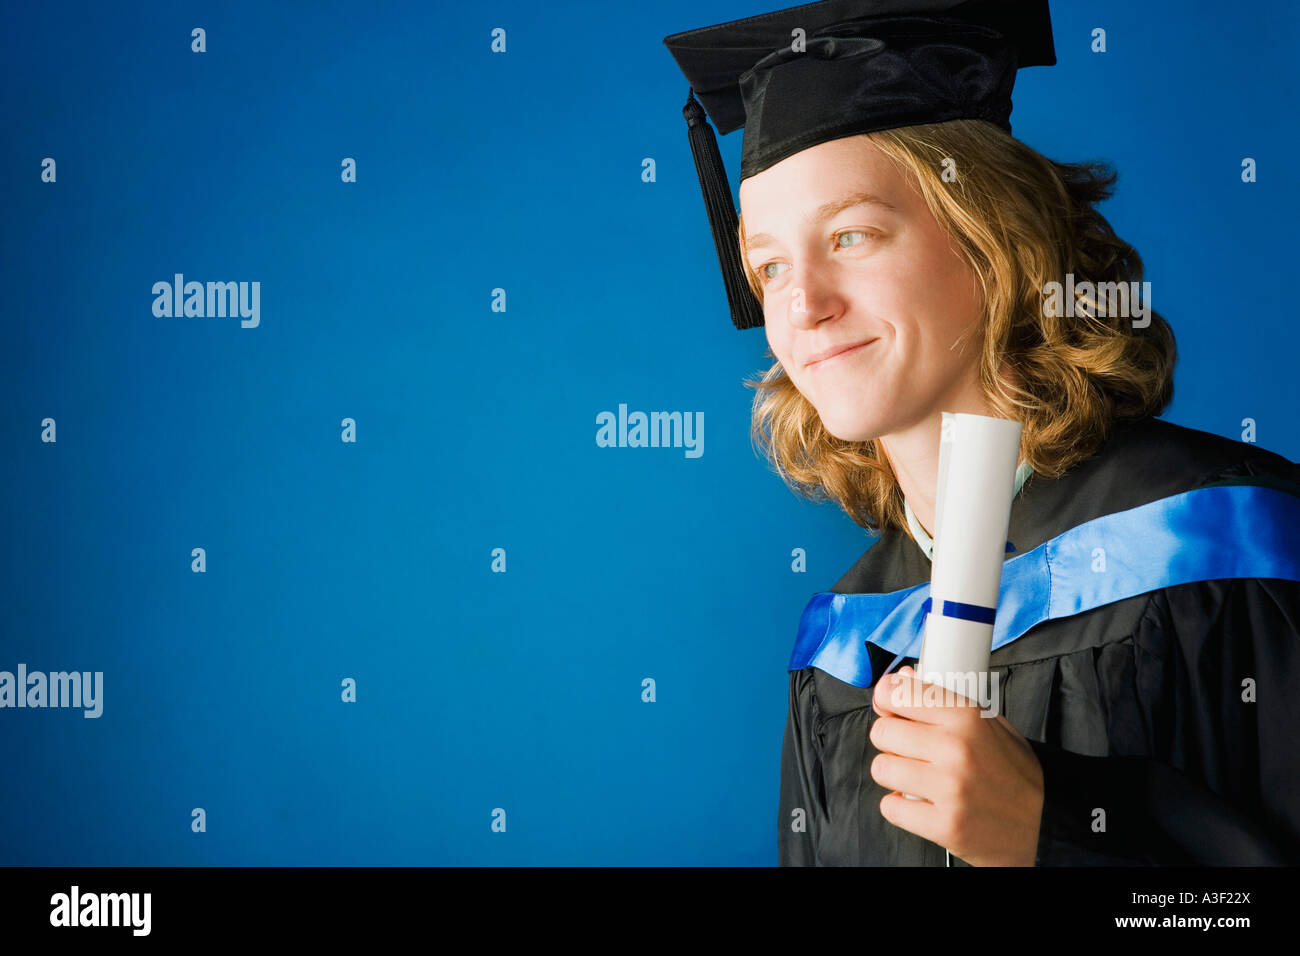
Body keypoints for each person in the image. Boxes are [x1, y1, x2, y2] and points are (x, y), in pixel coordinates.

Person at [664, 0, 1300, 865]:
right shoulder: (848, 643)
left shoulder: (1228, 549)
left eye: (851, 235)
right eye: (768, 266)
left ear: (992, 240)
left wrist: (1059, 828)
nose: (803, 305)